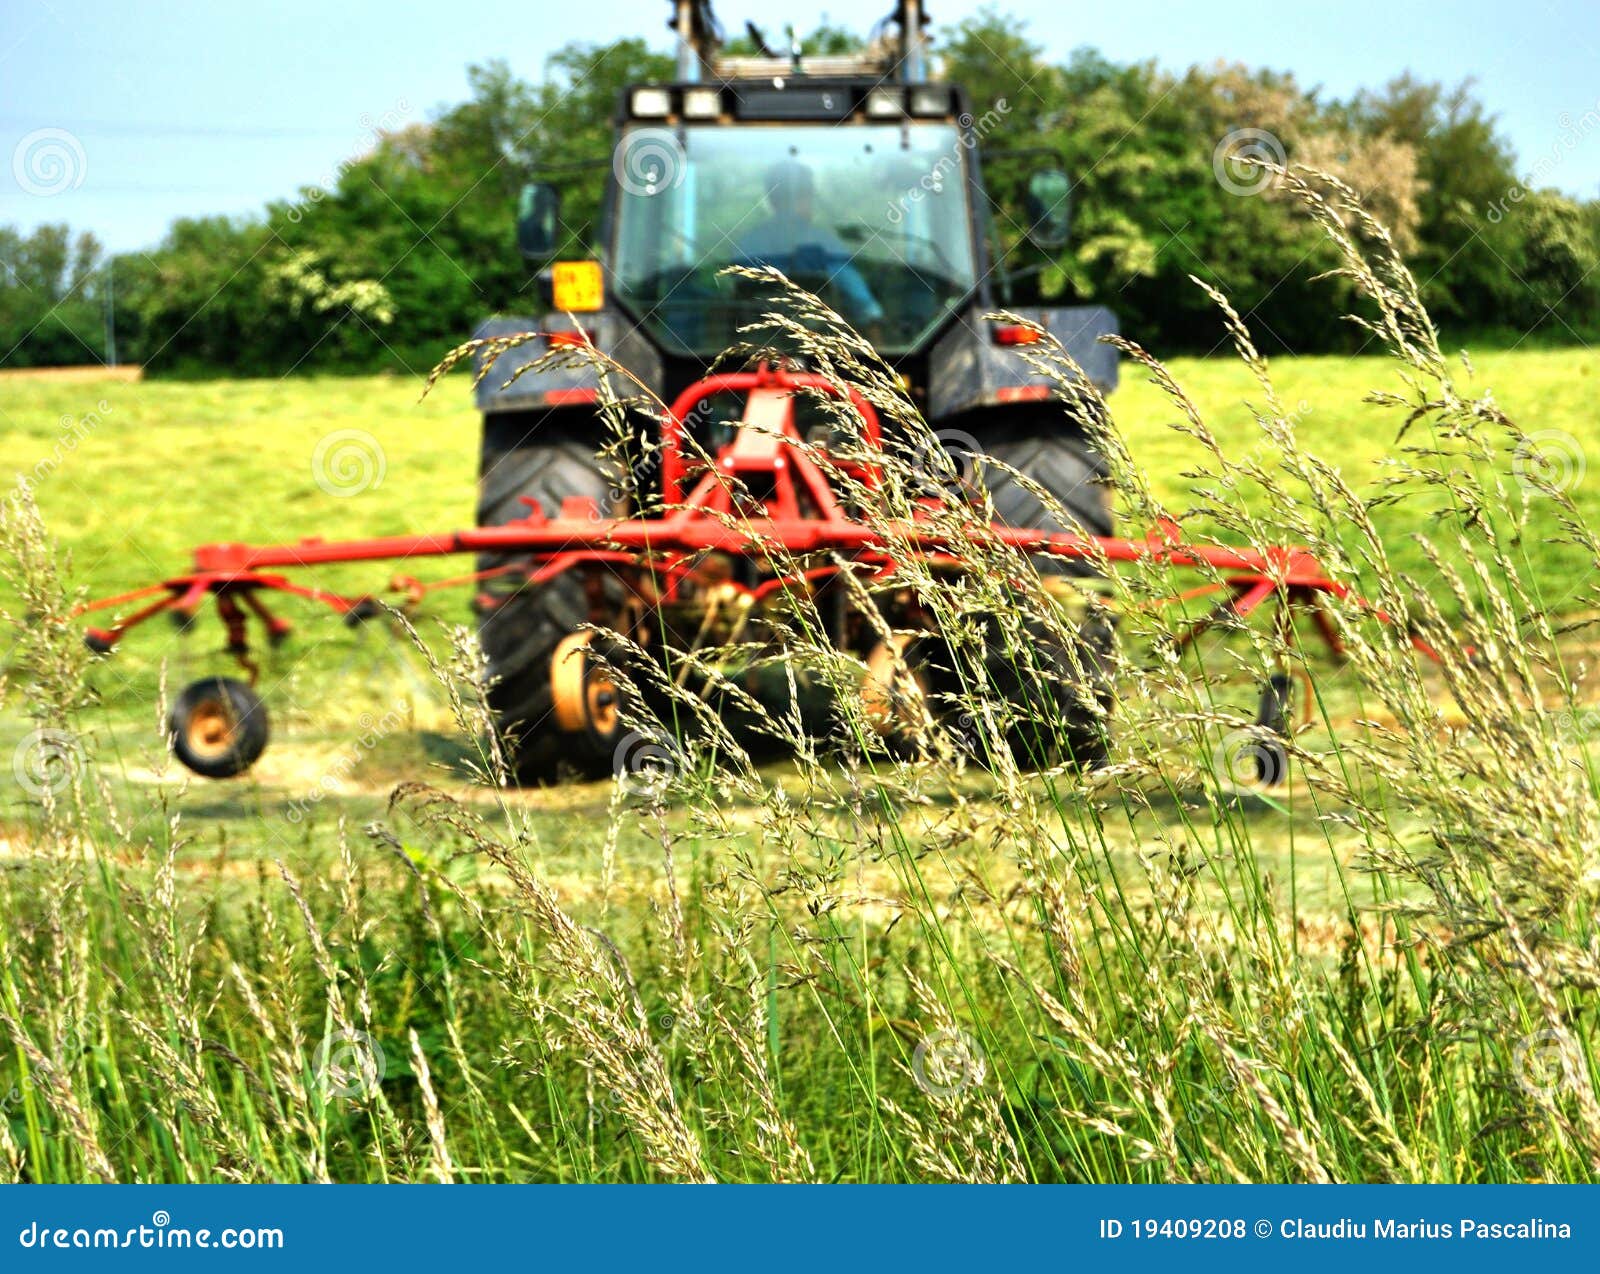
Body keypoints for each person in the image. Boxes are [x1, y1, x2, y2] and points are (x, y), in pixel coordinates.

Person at [735, 160, 884, 327]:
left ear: (772, 199)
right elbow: (860, 300)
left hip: (756, 344)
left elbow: (729, 297)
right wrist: (874, 325)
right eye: (810, 195)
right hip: (820, 343)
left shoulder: (748, 244)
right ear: (806, 196)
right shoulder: (825, 244)